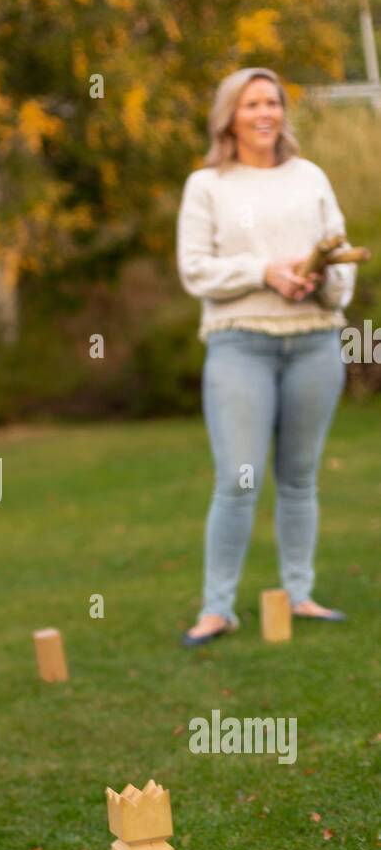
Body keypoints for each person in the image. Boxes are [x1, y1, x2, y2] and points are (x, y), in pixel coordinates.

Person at [176, 68, 356, 648]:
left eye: (273, 102)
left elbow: (342, 264)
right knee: (238, 479)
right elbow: (195, 268)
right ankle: (217, 608)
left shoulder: (311, 178)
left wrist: (321, 282)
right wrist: (264, 272)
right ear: (230, 115)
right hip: (240, 345)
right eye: (251, 103)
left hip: (314, 342)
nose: (264, 113)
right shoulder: (208, 185)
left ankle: (300, 595)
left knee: (300, 478)